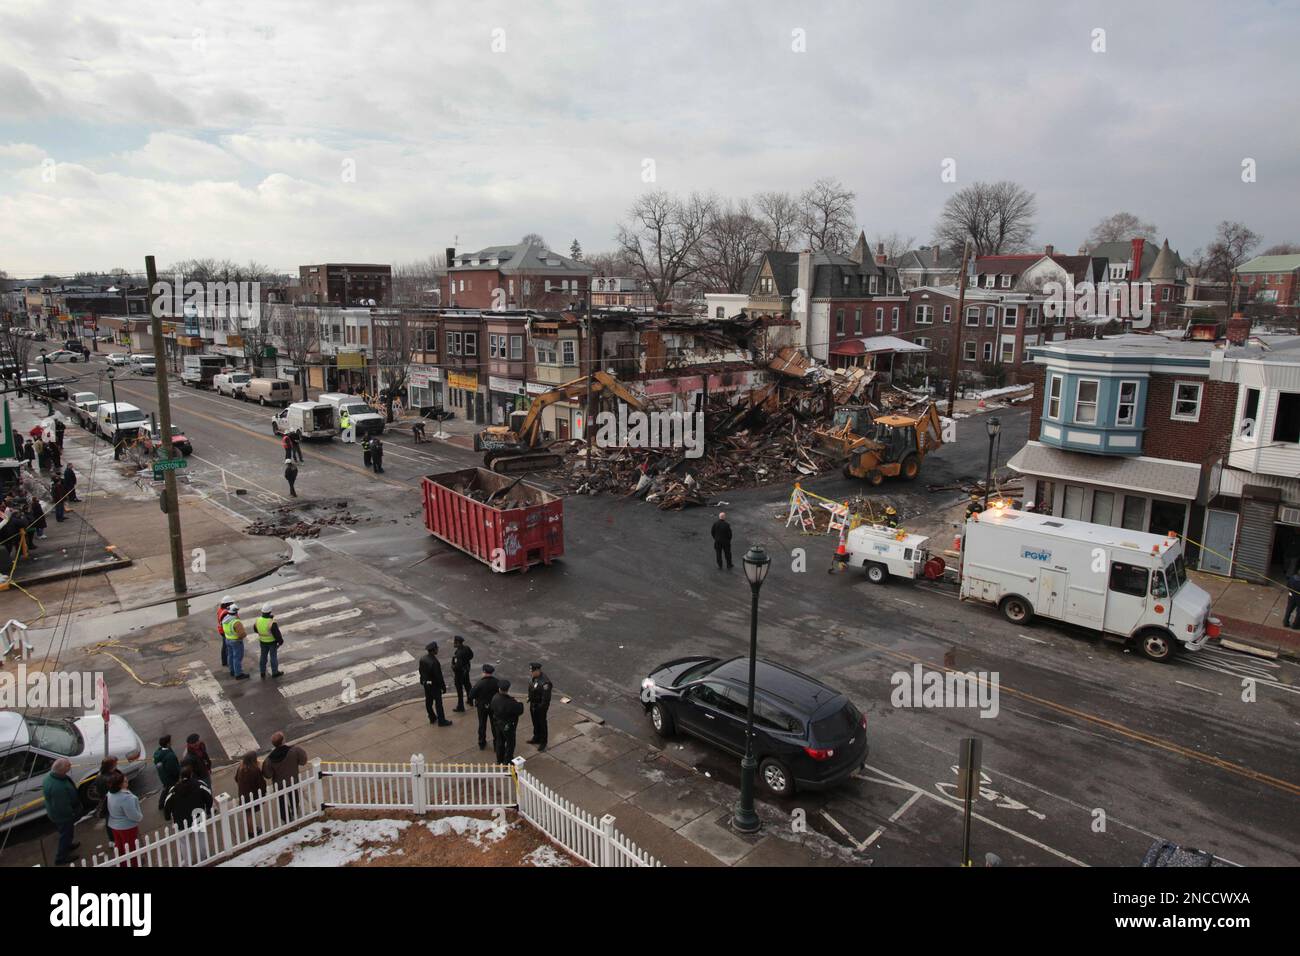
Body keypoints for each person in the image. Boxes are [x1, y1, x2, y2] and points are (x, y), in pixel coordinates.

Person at [162, 767, 214, 865]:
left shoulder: (174, 790)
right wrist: (207, 810)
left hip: (180, 820)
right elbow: (209, 796)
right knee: (200, 837)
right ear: (191, 775)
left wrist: (167, 816)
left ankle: (187, 862)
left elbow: (167, 804)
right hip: (197, 815)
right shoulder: (199, 785)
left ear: (181, 777)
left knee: (184, 842)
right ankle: (203, 858)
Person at [262, 731, 308, 821]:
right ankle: (295, 812)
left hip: (279, 785)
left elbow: (268, 775)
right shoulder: (295, 750)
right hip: (292, 781)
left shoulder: (269, 759)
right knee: (294, 798)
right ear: (283, 741)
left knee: (281, 802)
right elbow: (303, 761)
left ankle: (286, 818)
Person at [42, 758, 81, 865]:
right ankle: (61, 858)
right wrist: (72, 814)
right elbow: (62, 807)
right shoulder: (57, 787)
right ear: (62, 769)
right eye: (69, 765)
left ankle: (68, 845)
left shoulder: (52, 777)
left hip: (57, 814)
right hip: (63, 817)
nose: (71, 766)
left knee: (66, 834)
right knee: (66, 834)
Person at [105, 771, 143, 865]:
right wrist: (140, 817)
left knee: (120, 846)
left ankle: (122, 863)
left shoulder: (110, 793)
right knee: (131, 848)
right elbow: (133, 815)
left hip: (114, 825)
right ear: (120, 785)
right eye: (125, 781)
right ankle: (134, 864)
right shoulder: (127, 798)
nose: (127, 782)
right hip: (127, 827)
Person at [490, 679, 524, 764]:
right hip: (508, 726)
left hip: (498, 724)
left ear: (499, 689)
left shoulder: (495, 698)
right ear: (508, 689)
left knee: (499, 742)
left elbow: (492, 708)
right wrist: (520, 703)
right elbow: (520, 710)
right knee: (510, 743)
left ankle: (499, 760)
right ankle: (507, 761)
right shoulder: (510, 702)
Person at [419, 641, 452, 726]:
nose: (438, 649)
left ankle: (432, 717)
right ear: (433, 650)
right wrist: (443, 687)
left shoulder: (423, 659)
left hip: (426, 684)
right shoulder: (434, 662)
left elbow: (420, 671)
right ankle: (441, 721)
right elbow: (438, 677)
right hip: (434, 685)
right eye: (437, 648)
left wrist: (423, 681)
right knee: (438, 703)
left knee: (428, 701)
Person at [469, 663, 500, 751]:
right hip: (493, 706)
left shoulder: (480, 683)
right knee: (495, 726)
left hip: (482, 707)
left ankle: (482, 742)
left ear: (484, 672)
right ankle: (496, 744)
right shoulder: (497, 682)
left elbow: (471, 695)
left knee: (482, 724)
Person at [234, 751, 267, 833]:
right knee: (250, 814)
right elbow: (261, 783)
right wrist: (263, 793)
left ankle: (250, 829)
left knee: (248, 814)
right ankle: (251, 831)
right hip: (252, 795)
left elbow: (236, 779)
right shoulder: (254, 770)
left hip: (243, 794)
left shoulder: (240, 768)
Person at [91, 756, 119, 843]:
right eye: (115, 763)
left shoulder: (99, 776)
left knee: (109, 820)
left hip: (105, 800)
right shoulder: (111, 778)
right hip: (113, 802)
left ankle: (112, 839)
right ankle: (115, 839)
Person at [526, 662, 552, 751]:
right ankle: (536, 737)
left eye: (532, 671)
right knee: (535, 723)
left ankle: (543, 742)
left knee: (542, 724)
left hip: (540, 707)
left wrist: (540, 708)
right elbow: (531, 688)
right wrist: (529, 698)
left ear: (537, 670)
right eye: (531, 671)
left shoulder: (545, 683)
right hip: (533, 704)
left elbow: (546, 699)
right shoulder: (535, 677)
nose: (531, 673)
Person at [254, 603, 285, 678]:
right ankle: (275, 672)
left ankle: (262, 672)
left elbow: (255, 629)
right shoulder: (272, 622)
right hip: (272, 643)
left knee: (263, 657)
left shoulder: (258, 620)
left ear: (262, 612)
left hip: (262, 642)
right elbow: (277, 634)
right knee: (273, 657)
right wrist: (280, 642)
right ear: (270, 612)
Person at [152, 735, 181, 811]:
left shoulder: (158, 752)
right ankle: (167, 804)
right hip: (170, 778)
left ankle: (161, 804)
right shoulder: (169, 756)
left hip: (163, 776)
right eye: (170, 741)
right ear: (168, 744)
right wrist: (178, 774)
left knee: (166, 789)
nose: (171, 742)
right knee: (171, 789)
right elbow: (173, 770)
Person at [223, 602, 249, 679]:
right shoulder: (236, 622)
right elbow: (242, 634)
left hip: (228, 639)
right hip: (236, 641)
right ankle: (238, 674)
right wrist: (240, 637)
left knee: (230, 656)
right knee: (237, 658)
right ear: (235, 612)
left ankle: (232, 671)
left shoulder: (225, 619)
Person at [450, 635, 473, 712]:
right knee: (467, 685)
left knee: (459, 690)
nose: (454, 644)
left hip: (459, 674)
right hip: (466, 670)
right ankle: (470, 700)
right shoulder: (467, 648)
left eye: (455, 643)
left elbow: (457, 666)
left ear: (458, 643)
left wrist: (453, 666)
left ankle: (460, 706)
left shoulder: (458, 653)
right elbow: (471, 656)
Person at [217, 595, 234, 669]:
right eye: (231, 603)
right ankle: (227, 662)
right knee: (227, 647)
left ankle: (224, 661)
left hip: (221, 630)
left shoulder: (220, 610)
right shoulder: (226, 612)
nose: (232, 604)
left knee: (224, 646)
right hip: (225, 631)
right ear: (227, 604)